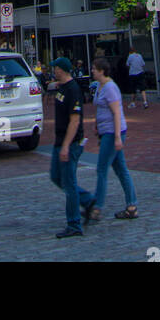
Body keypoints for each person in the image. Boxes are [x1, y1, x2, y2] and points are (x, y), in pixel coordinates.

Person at [82, 57, 138, 221]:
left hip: (112, 133)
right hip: (105, 131)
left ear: (101, 71)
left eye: (94, 68)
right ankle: (132, 205)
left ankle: (97, 207)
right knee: (121, 169)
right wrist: (96, 124)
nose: (92, 71)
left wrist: (117, 137)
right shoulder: (100, 86)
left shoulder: (111, 88)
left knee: (101, 168)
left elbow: (116, 113)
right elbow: (100, 109)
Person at [47, 57, 87, 238]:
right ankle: (87, 199)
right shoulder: (61, 87)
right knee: (56, 176)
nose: (53, 71)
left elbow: (75, 120)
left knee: (69, 183)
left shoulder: (73, 90)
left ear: (62, 70)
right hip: (59, 140)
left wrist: (66, 146)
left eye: (55, 68)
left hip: (69, 143)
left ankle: (74, 224)